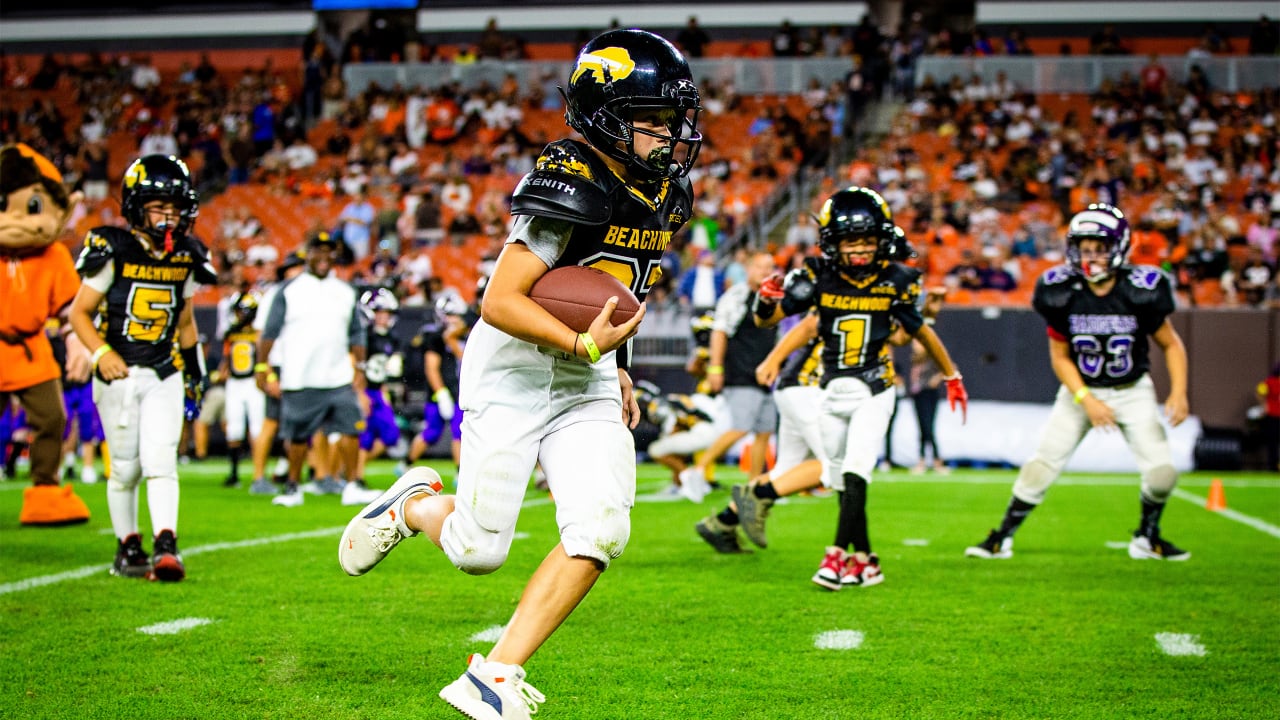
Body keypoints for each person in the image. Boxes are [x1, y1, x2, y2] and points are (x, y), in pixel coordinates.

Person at [338, 28, 701, 720]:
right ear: (606, 116)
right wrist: (583, 343)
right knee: (478, 551)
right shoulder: (573, 174)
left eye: (673, 118)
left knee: (601, 528)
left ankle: (494, 673)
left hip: (587, 373)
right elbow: (500, 301)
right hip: (516, 369)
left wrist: (615, 362)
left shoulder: (665, 191)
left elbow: (618, 287)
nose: (670, 134)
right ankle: (413, 506)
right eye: (652, 119)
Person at [755, 187, 968, 590]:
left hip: (875, 387)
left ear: (881, 239)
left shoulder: (895, 279)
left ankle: (836, 555)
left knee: (855, 471)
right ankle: (867, 562)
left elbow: (917, 332)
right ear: (833, 242)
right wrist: (764, 302)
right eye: (850, 241)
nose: (859, 249)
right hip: (830, 389)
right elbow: (770, 318)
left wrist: (952, 375)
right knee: (840, 479)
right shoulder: (819, 275)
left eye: (867, 240)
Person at [965, 203, 1191, 561]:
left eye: (1100, 248)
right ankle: (1000, 537)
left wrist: (1179, 392)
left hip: (1132, 389)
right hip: (1080, 390)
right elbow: (1060, 357)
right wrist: (1087, 399)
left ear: (1119, 248)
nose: (1092, 256)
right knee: (1042, 464)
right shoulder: (1062, 290)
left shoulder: (1139, 289)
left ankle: (1148, 537)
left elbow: (1171, 344)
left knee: (1162, 473)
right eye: (1085, 248)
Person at [69, 154, 217, 581]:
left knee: (161, 459)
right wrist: (101, 352)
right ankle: (127, 545)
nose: (169, 216)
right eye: (159, 206)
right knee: (125, 468)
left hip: (162, 370)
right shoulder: (112, 248)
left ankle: (166, 544)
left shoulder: (186, 254)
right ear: (136, 206)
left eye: (175, 207)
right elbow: (79, 313)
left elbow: (185, 324)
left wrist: (196, 375)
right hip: (117, 371)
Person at [257, 232, 380, 508]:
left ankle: (352, 484)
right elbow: (269, 332)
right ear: (307, 254)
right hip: (301, 376)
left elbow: (357, 333)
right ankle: (292, 487)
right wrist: (262, 367)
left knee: (351, 429)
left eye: (329, 252)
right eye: (318, 251)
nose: (324, 257)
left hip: (338, 376)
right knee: (298, 436)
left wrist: (360, 367)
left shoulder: (345, 291)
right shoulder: (288, 290)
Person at [677, 251, 780, 502]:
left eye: (770, 267)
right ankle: (696, 471)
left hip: (764, 374)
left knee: (764, 431)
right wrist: (715, 367)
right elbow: (719, 332)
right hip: (741, 371)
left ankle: (753, 486)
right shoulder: (737, 296)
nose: (765, 272)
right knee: (740, 427)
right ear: (748, 269)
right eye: (760, 267)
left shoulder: (774, 297)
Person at [247, 250, 306, 495]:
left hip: (302, 366)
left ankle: (314, 476)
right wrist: (267, 371)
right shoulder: (275, 294)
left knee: (307, 425)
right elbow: (261, 335)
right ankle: (258, 477)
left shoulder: (310, 294)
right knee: (271, 422)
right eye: (295, 268)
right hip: (280, 364)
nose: (300, 272)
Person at [405, 294, 469, 474]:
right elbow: (431, 368)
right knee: (431, 433)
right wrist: (441, 394)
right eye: (451, 315)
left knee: (460, 432)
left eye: (457, 315)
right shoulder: (434, 336)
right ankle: (405, 464)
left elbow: (466, 362)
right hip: (439, 392)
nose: (454, 319)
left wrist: (452, 339)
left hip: (460, 391)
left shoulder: (464, 336)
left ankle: (461, 473)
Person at [354, 288, 404, 486]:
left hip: (377, 391)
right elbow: (356, 366)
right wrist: (359, 392)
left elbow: (380, 369)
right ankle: (357, 476)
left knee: (391, 434)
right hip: (362, 389)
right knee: (363, 437)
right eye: (380, 312)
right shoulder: (363, 336)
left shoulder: (390, 337)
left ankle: (350, 469)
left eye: (387, 313)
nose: (384, 317)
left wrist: (384, 392)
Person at [218, 291, 266, 489]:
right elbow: (226, 358)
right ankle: (234, 472)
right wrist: (223, 371)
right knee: (234, 428)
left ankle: (258, 473)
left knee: (257, 428)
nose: (238, 315)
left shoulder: (259, 333)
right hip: (235, 383)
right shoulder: (231, 332)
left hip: (253, 383)